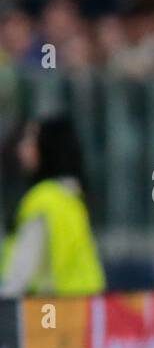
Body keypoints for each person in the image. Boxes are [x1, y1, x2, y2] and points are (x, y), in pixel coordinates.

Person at [1, 116, 106, 297]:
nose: (22, 149)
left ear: (46, 147)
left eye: (30, 140)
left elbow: (18, 277)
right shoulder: (71, 198)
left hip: (52, 312)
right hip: (86, 307)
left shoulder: (43, 200)